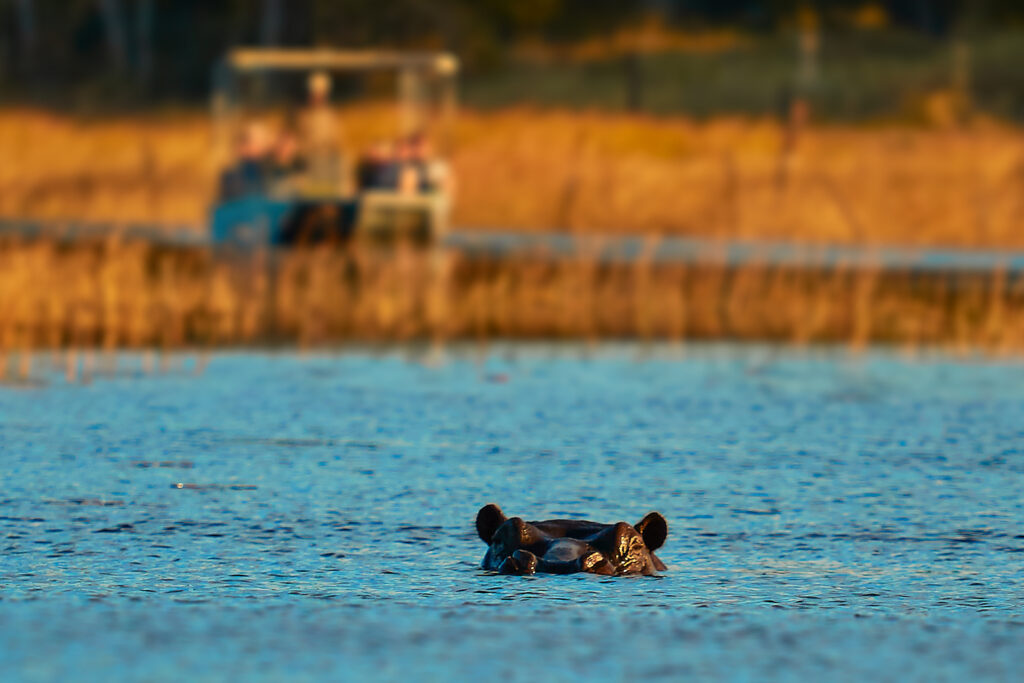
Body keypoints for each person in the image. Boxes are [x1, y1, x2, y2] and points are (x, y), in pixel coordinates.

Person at [299, 70, 344, 191]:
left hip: (327, 164)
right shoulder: (303, 116)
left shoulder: (331, 116)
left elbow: (338, 142)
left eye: (320, 93)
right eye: (314, 93)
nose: (317, 96)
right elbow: (300, 142)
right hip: (309, 164)